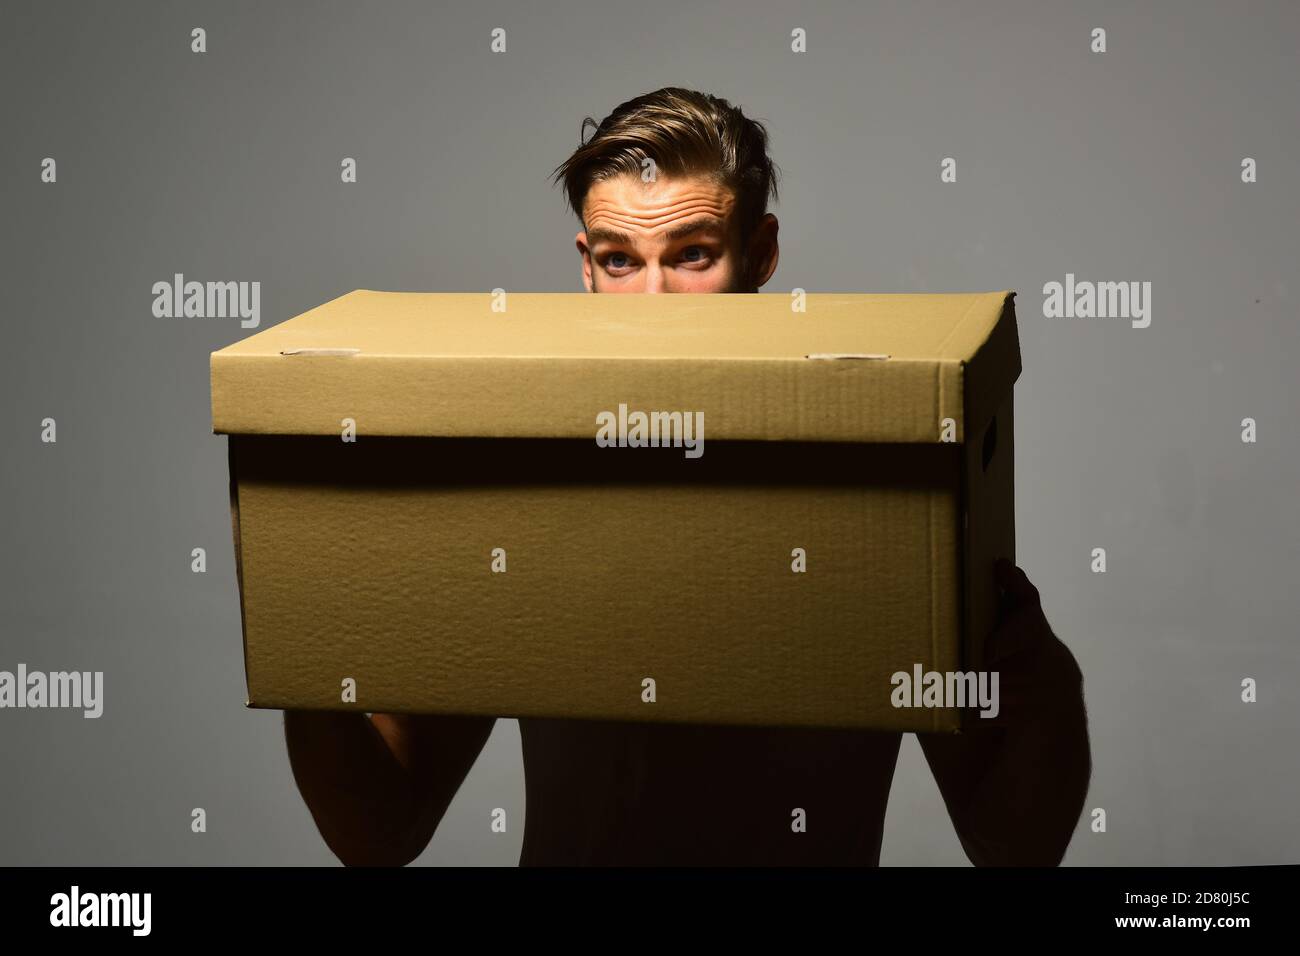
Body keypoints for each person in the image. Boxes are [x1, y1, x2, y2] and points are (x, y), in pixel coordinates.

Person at [284, 88, 1091, 866]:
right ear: (586, 266)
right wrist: (305, 656)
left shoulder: (874, 473)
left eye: (692, 255)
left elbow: (1015, 847)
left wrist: (1040, 691)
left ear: (763, 253)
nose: (653, 301)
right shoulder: (523, 491)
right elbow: (380, 834)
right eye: (619, 260)